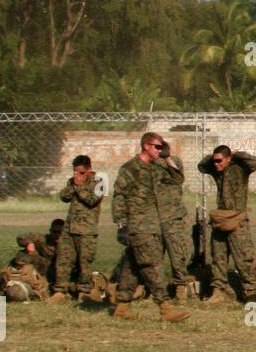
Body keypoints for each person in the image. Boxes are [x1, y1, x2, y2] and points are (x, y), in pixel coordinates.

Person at [111, 132, 191, 322]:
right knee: (152, 265)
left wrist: (167, 157)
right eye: (157, 147)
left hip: (154, 224)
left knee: (132, 266)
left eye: (162, 147)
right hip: (139, 225)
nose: (159, 150)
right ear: (146, 146)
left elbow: (178, 179)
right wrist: (121, 223)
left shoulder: (158, 166)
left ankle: (122, 307)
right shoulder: (130, 168)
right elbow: (119, 196)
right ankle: (165, 307)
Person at [197, 144, 256, 304]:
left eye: (220, 161)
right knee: (218, 257)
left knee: (243, 258)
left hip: (237, 219)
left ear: (229, 159)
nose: (216, 164)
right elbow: (201, 166)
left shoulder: (240, 168)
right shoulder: (214, 168)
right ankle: (218, 291)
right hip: (221, 219)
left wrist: (237, 154)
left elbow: (255, 163)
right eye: (215, 161)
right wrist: (213, 157)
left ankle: (250, 292)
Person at [57, 154, 102, 301]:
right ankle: (60, 290)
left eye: (81, 172)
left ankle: (84, 291)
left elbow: (91, 200)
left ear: (89, 169)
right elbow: (64, 197)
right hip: (69, 228)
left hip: (86, 230)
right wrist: (74, 184)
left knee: (85, 262)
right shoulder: (73, 181)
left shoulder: (99, 183)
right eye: (75, 171)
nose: (77, 175)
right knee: (63, 259)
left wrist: (79, 185)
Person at [153, 141, 194, 302]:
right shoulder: (148, 165)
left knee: (177, 255)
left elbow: (178, 177)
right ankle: (156, 290)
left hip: (173, 217)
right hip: (154, 217)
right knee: (154, 256)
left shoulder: (173, 162)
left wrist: (167, 158)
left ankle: (180, 288)